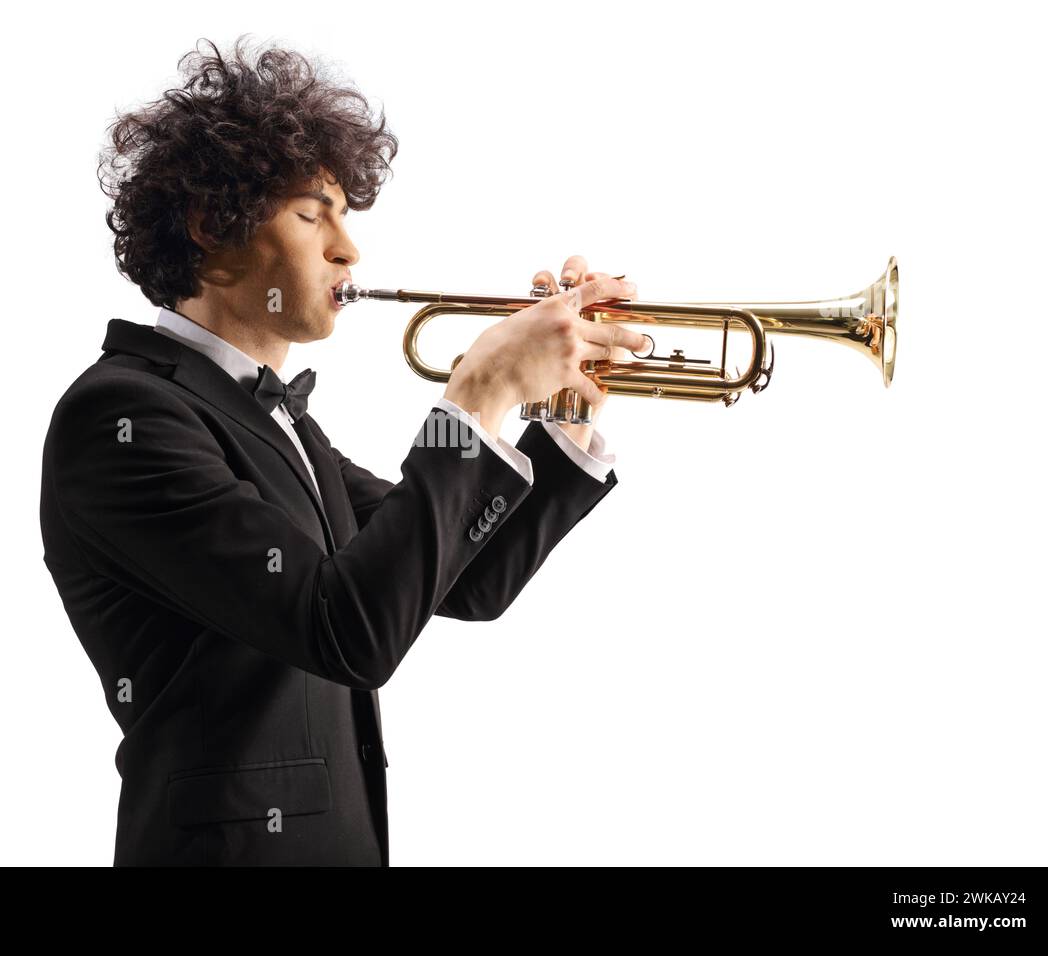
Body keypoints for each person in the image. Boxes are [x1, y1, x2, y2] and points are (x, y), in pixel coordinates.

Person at [39, 36, 646, 866]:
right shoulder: (124, 417)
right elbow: (348, 630)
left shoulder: (276, 420)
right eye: (310, 214)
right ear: (212, 230)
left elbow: (467, 580)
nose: (348, 249)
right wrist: (477, 394)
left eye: (345, 217)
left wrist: (564, 412)